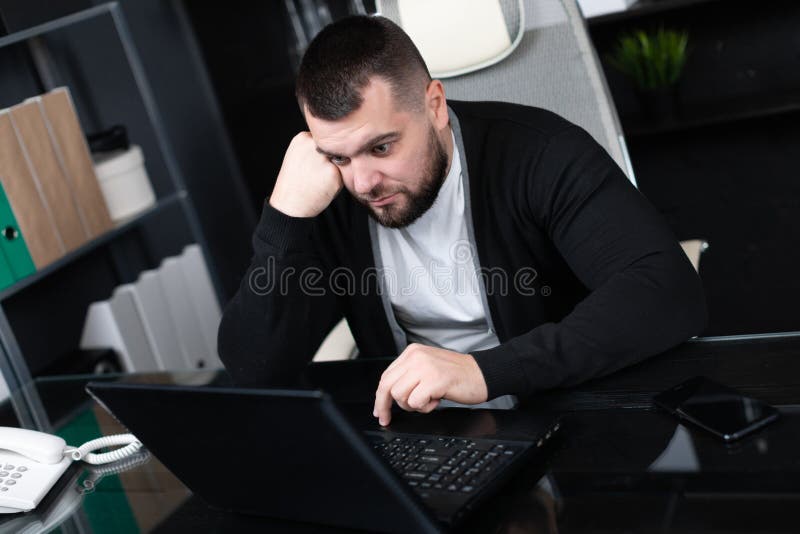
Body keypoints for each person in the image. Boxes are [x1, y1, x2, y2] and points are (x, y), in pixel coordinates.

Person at [217, 15, 706, 426]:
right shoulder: (334, 193)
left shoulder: (540, 153)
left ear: (434, 106)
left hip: (568, 420)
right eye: (338, 156)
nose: (363, 182)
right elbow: (253, 367)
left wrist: (485, 371)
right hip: (431, 442)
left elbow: (666, 291)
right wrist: (284, 221)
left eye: (381, 147)